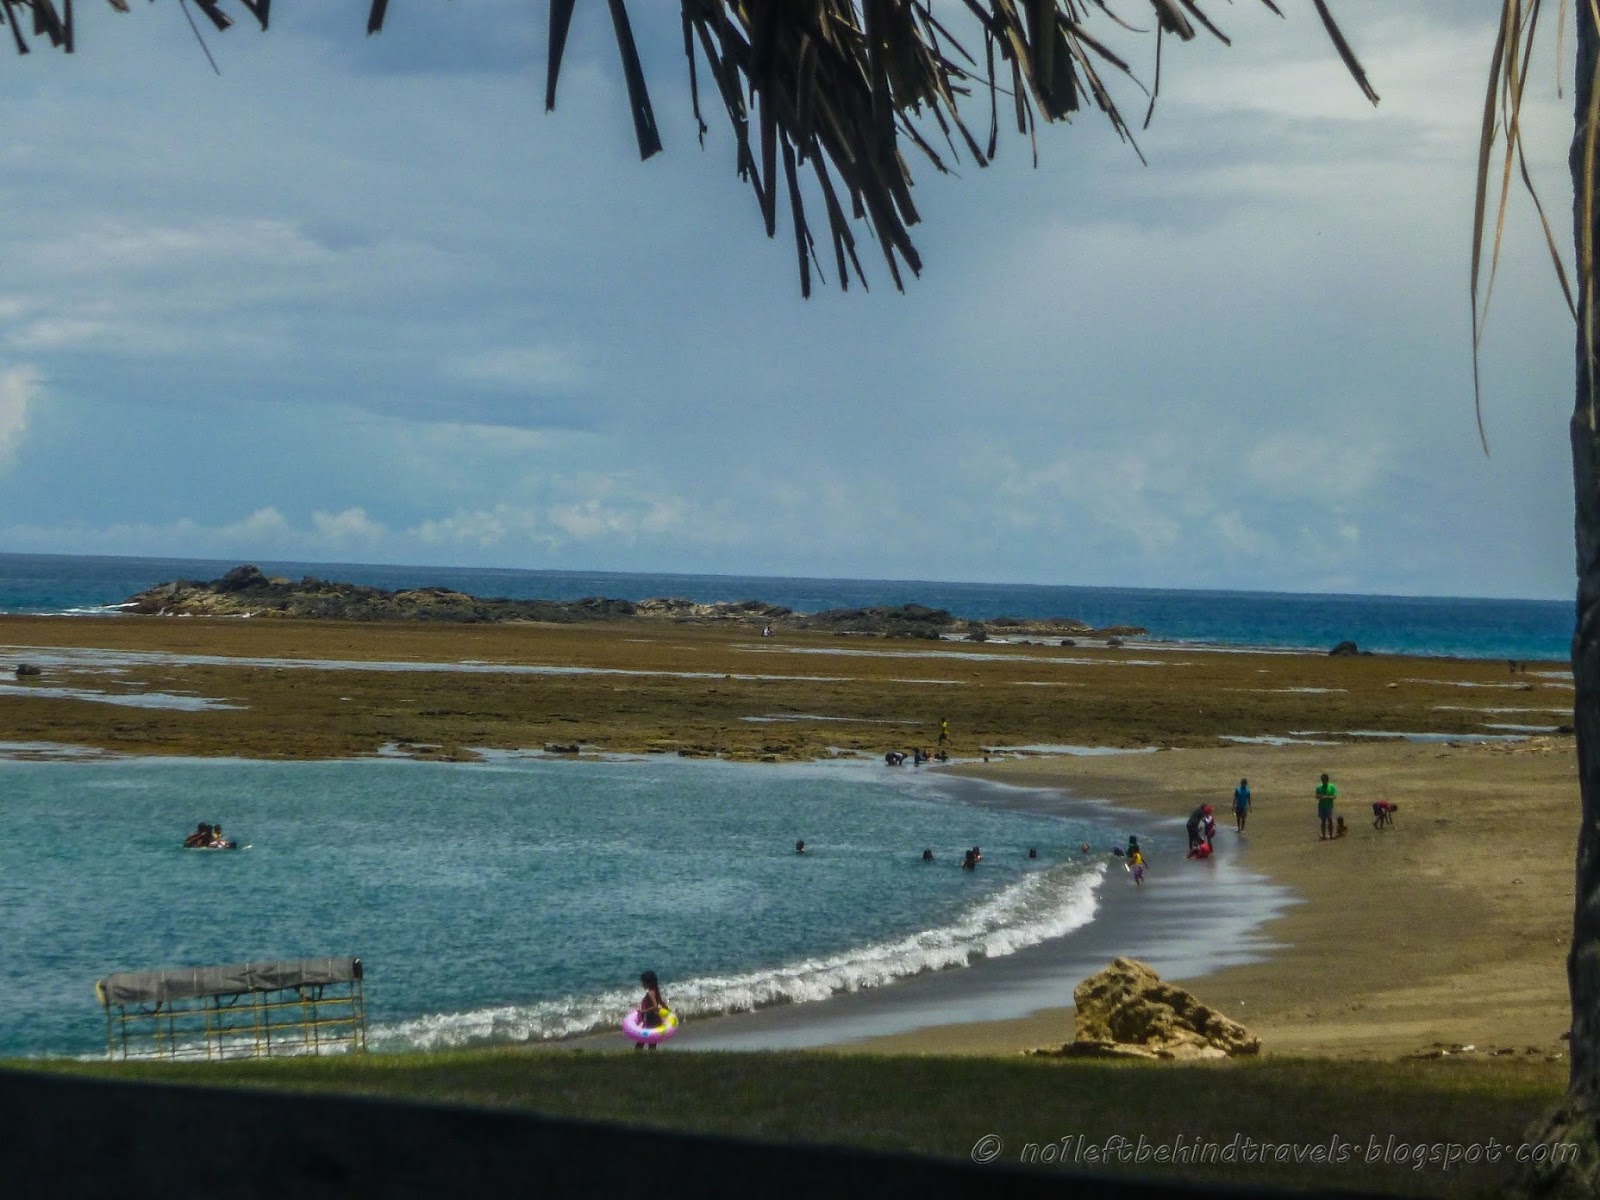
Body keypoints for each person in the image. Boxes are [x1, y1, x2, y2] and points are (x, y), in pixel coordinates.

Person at [635, 970, 668, 1051]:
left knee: (641, 1040)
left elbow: (655, 1006)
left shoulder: (650, 993)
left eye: (642, 982)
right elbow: (660, 1002)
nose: (642, 984)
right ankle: (652, 1056)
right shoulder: (656, 990)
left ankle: (637, 1055)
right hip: (655, 1019)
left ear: (647, 983)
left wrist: (643, 1011)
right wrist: (667, 1010)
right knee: (652, 1042)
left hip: (650, 1020)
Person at [1316, 773, 1338, 840]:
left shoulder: (1331, 786)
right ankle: (1323, 835)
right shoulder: (1319, 787)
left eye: (1324, 779)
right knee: (1323, 821)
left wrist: (1327, 797)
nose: (1323, 781)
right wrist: (1320, 797)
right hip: (1321, 806)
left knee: (1330, 820)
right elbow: (1317, 796)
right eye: (1322, 779)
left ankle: (1331, 835)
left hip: (1328, 806)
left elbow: (1334, 796)